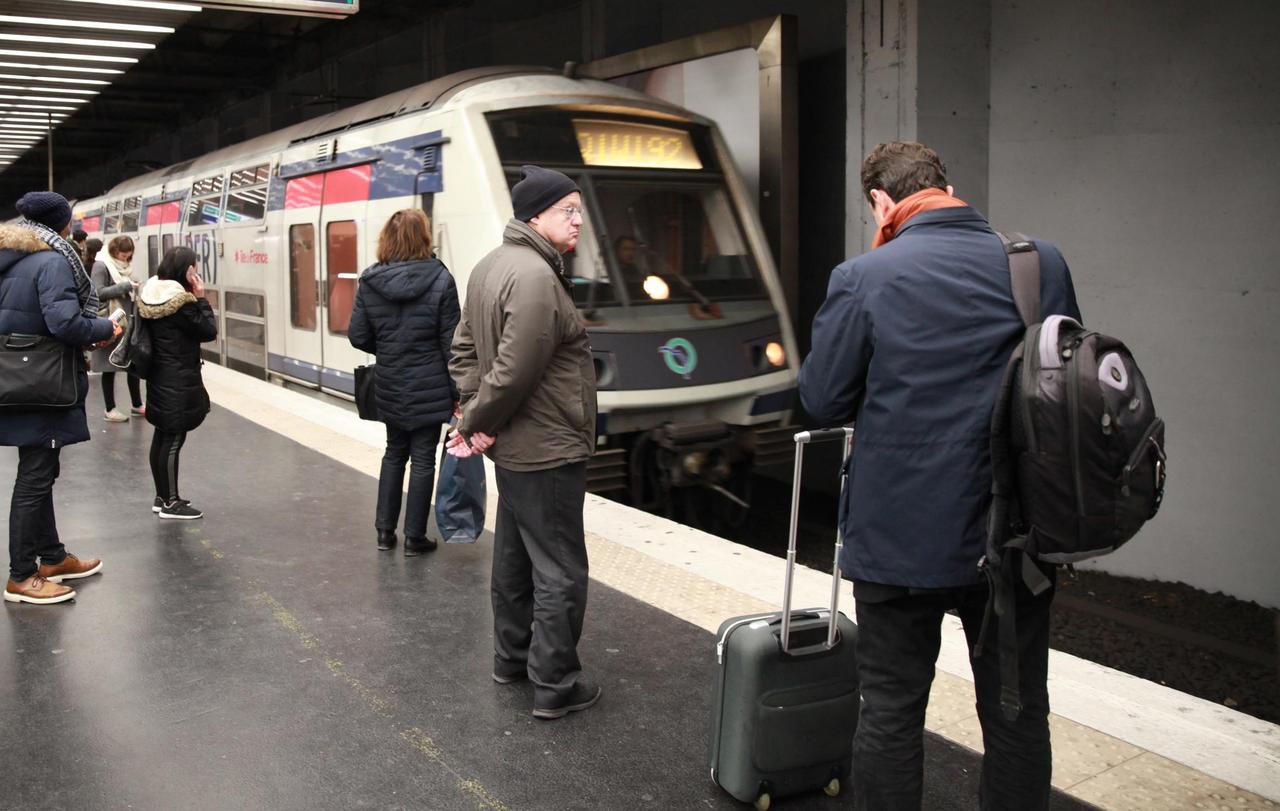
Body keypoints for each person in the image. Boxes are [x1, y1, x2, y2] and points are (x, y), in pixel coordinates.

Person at [797, 141, 1081, 811]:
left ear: (882, 202)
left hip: (899, 538)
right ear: (949, 188)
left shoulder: (864, 276)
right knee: (1016, 713)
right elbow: (1063, 377)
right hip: (1014, 531)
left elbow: (823, 398)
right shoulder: (1040, 264)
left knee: (892, 710)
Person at [447, 164, 599, 720]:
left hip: (514, 447)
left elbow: (464, 351)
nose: (578, 219)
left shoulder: (490, 267)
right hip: (547, 446)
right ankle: (555, 683)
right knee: (559, 567)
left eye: (578, 209)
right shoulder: (535, 277)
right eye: (568, 210)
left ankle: (511, 659)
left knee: (513, 558)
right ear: (536, 215)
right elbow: (514, 372)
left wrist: (475, 410)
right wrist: (476, 421)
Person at [1, 191, 118, 605]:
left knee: (40, 470)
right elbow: (65, 322)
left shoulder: (12, 258)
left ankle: (51, 557)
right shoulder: (52, 260)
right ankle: (21, 576)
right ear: (61, 224)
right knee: (34, 478)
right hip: (45, 384)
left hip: (19, 380)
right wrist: (105, 328)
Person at [347, 209, 460, 556]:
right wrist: (459, 393)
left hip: (391, 381)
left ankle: (384, 532)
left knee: (394, 453)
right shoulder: (441, 279)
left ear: (387, 240)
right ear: (423, 238)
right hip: (430, 384)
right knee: (424, 458)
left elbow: (358, 335)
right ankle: (415, 537)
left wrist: (388, 346)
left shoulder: (370, 280)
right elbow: (451, 344)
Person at [138, 246, 217, 520]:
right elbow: (208, 331)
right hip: (177, 378)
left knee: (162, 436)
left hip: (160, 376)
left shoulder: (151, 294)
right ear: (186, 271)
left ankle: (162, 497)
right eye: (193, 268)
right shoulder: (180, 303)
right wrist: (201, 298)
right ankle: (171, 502)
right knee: (173, 439)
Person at [89, 235, 145, 422]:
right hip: (111, 321)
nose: (125, 259)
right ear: (114, 251)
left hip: (129, 321)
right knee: (109, 366)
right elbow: (98, 292)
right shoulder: (101, 265)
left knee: (132, 364)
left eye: (128, 256)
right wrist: (125, 286)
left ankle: (137, 404)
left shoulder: (125, 267)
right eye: (122, 255)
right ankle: (110, 409)